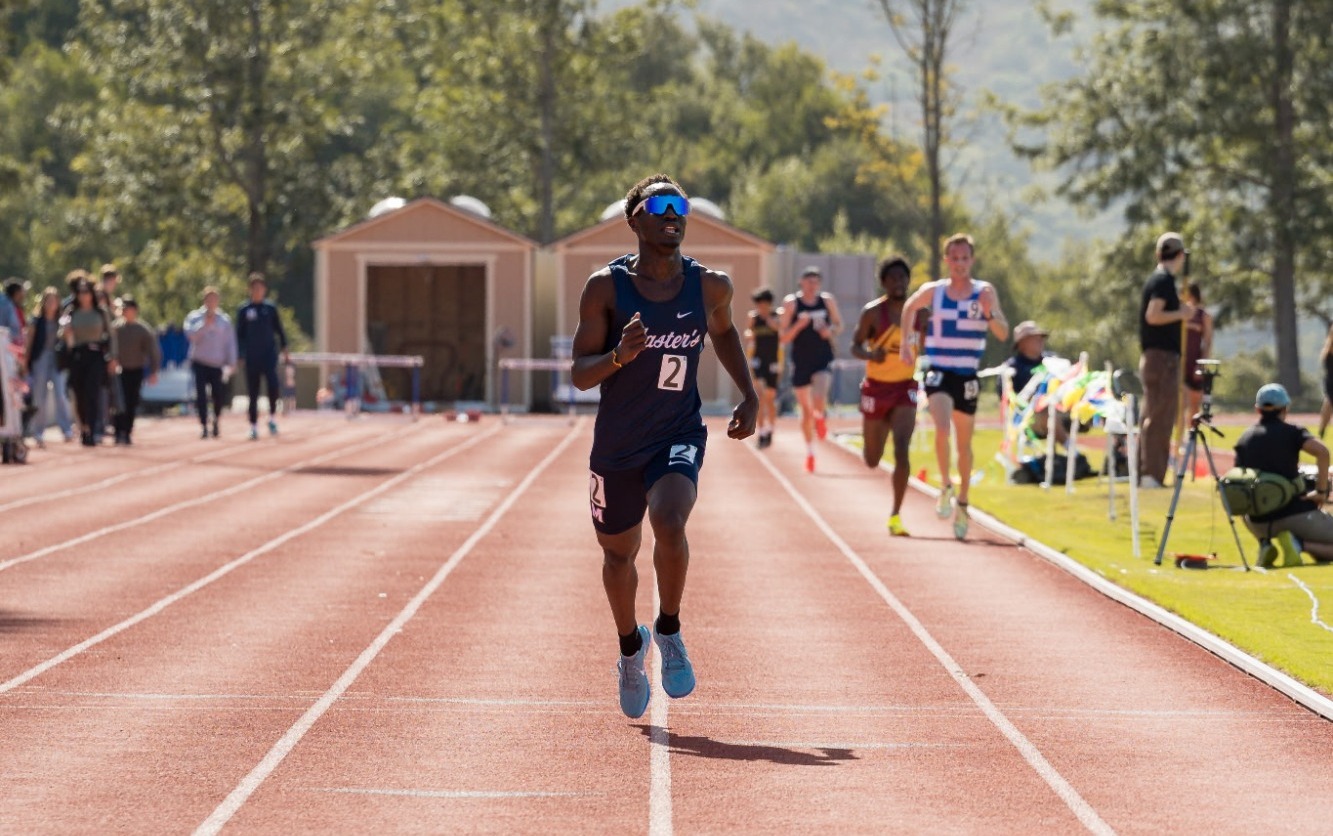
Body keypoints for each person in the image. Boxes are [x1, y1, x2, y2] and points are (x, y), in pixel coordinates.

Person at [571, 174, 757, 720]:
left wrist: (749, 394)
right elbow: (580, 374)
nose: (673, 214)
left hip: (676, 434)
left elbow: (723, 332)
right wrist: (619, 358)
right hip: (617, 445)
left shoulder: (710, 286)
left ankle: (670, 630)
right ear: (635, 220)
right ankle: (632, 645)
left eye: (681, 205)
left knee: (671, 521)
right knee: (617, 555)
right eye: (660, 205)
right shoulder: (604, 288)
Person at [899, 233, 1009, 540]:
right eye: (954, 258)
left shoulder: (983, 292)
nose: (959, 264)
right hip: (938, 370)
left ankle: (963, 501)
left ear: (971, 261)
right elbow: (909, 307)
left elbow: (1002, 332)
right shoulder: (934, 292)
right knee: (942, 426)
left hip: (967, 374)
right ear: (947, 261)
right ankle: (945, 484)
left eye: (965, 258)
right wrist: (907, 344)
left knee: (964, 445)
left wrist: (989, 312)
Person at [851, 255, 918, 536]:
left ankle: (896, 514)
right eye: (892, 279)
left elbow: (930, 343)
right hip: (876, 388)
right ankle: (875, 439)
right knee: (872, 459)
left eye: (903, 278)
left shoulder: (919, 313)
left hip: (905, 387)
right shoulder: (873, 313)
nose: (898, 283)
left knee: (902, 449)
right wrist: (870, 354)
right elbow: (855, 347)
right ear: (884, 283)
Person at [1233, 383, 1333, 566]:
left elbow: (1239, 482)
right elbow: (1323, 452)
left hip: (1257, 523)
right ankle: (1298, 544)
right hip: (1295, 515)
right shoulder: (1292, 432)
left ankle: (1265, 545)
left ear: (1258, 409)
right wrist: (1321, 491)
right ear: (1286, 408)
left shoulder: (1244, 438)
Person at [1138, 232, 1194, 489]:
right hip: (1162, 359)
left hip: (1154, 358)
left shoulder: (1158, 280)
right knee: (1161, 416)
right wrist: (1181, 313)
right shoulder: (1163, 281)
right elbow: (1153, 316)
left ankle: (1146, 471)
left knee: (1152, 413)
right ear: (1180, 256)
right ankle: (1152, 473)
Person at [779, 266, 842, 472]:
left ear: (819, 284)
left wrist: (829, 331)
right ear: (801, 282)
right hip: (800, 360)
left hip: (822, 357)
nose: (812, 286)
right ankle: (810, 452)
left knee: (820, 391)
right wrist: (799, 325)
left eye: (816, 282)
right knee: (805, 412)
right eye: (808, 281)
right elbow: (783, 337)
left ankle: (821, 416)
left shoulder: (827, 301)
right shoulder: (791, 303)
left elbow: (839, 325)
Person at [60, 278, 118, 446]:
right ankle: (83, 426)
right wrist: (66, 332)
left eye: (86, 291)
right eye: (80, 292)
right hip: (78, 356)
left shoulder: (101, 312)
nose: (83, 295)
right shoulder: (71, 312)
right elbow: (61, 334)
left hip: (96, 355)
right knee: (79, 394)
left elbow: (111, 335)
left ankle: (92, 429)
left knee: (93, 393)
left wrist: (113, 357)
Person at [235, 272, 289, 440]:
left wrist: (285, 347)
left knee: (273, 386)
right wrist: (240, 354)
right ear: (250, 290)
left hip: (268, 356)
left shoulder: (270, 309)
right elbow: (239, 335)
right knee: (253, 392)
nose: (258, 290)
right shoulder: (244, 310)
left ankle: (272, 418)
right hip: (252, 358)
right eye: (254, 288)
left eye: (260, 287)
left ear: (264, 289)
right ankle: (253, 426)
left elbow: (279, 330)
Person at [184, 286, 237, 439]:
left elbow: (230, 343)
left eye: (214, 299)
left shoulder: (225, 320)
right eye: (209, 298)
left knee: (218, 395)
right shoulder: (194, 317)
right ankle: (203, 424)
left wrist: (231, 362)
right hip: (199, 362)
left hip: (217, 364)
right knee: (201, 395)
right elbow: (191, 336)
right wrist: (205, 325)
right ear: (204, 300)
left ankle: (216, 419)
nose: (211, 302)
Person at [24, 287, 75, 445]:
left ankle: (66, 429)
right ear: (44, 302)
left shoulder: (62, 320)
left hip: (57, 359)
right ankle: (38, 431)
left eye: (55, 300)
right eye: (49, 300)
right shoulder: (36, 320)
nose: (52, 303)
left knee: (60, 393)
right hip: (40, 358)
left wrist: (68, 334)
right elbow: (29, 342)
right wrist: (25, 362)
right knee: (40, 396)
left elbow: (70, 343)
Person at [112, 297, 160, 445]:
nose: (126, 312)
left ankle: (127, 431)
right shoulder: (116, 328)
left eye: (129, 309)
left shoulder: (143, 330)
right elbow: (109, 346)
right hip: (119, 371)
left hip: (136, 370)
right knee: (118, 402)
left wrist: (153, 371)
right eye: (124, 309)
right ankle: (118, 430)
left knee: (132, 401)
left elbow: (153, 351)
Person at [1177, 282, 1214, 455]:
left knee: (1194, 404)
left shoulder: (1203, 315)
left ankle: (1191, 437)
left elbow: (1207, 341)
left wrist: (1202, 363)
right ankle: (1180, 440)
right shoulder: (1180, 313)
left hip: (1195, 362)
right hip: (1181, 362)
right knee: (1182, 402)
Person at [743, 287, 781, 449]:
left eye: (765, 304)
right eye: (759, 304)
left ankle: (771, 429)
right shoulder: (753, 317)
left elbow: (779, 330)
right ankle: (761, 430)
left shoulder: (777, 315)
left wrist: (769, 319)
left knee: (770, 397)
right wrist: (748, 334)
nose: (762, 308)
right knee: (759, 396)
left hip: (773, 360)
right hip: (758, 360)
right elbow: (748, 332)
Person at [1318, 324, 1333, 440]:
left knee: (1327, 406)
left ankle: (1321, 431)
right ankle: (1322, 431)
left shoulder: (1327, 350)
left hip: (1329, 382)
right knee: (1327, 406)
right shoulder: (1329, 351)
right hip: (1331, 382)